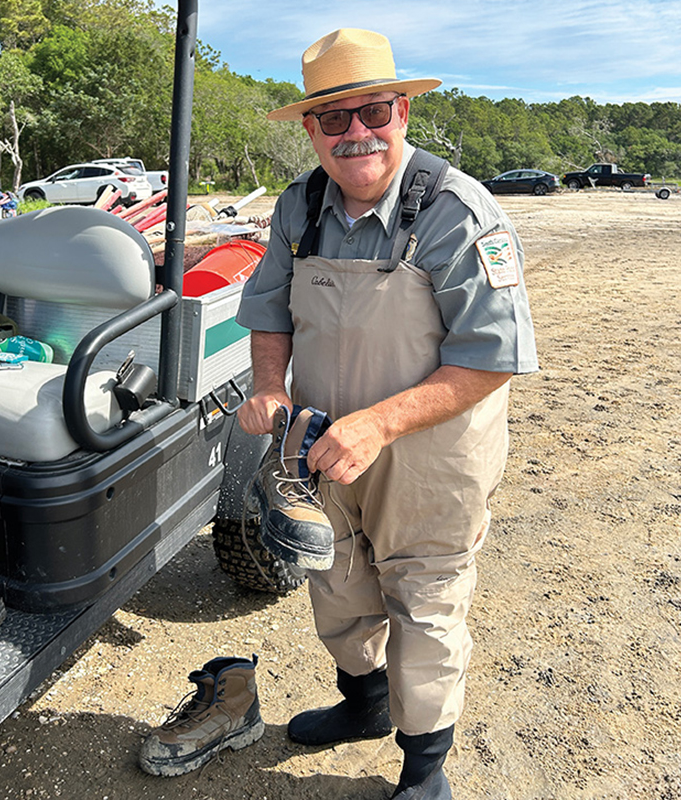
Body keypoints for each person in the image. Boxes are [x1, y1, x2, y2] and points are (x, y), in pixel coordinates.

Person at [240, 28, 538, 798]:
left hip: (431, 454)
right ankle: (364, 705)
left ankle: (424, 770)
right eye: (332, 120)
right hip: (321, 442)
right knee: (336, 580)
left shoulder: (454, 209)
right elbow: (270, 309)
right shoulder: (298, 205)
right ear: (309, 130)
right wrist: (270, 387)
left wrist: (378, 424)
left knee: (425, 601)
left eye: (371, 111)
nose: (355, 134)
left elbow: (492, 357)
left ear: (402, 111)